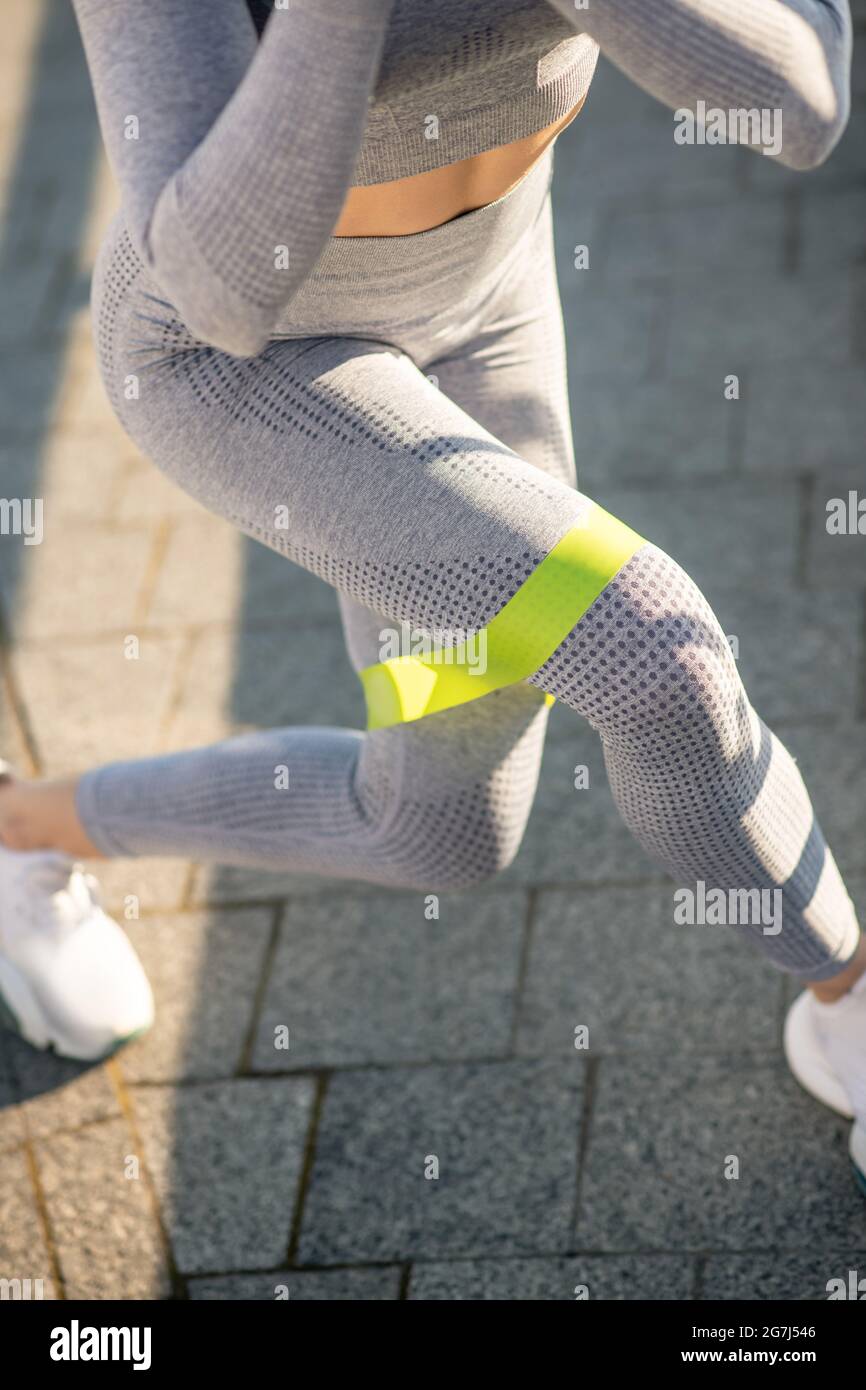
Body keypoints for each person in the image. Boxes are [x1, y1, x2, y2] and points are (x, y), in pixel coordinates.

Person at [0, 0, 862, 1194]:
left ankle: (19, 830)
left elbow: (798, 103)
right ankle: (848, 1003)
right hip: (246, 361)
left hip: (484, 298)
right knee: (655, 661)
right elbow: (219, 290)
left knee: (436, 828)